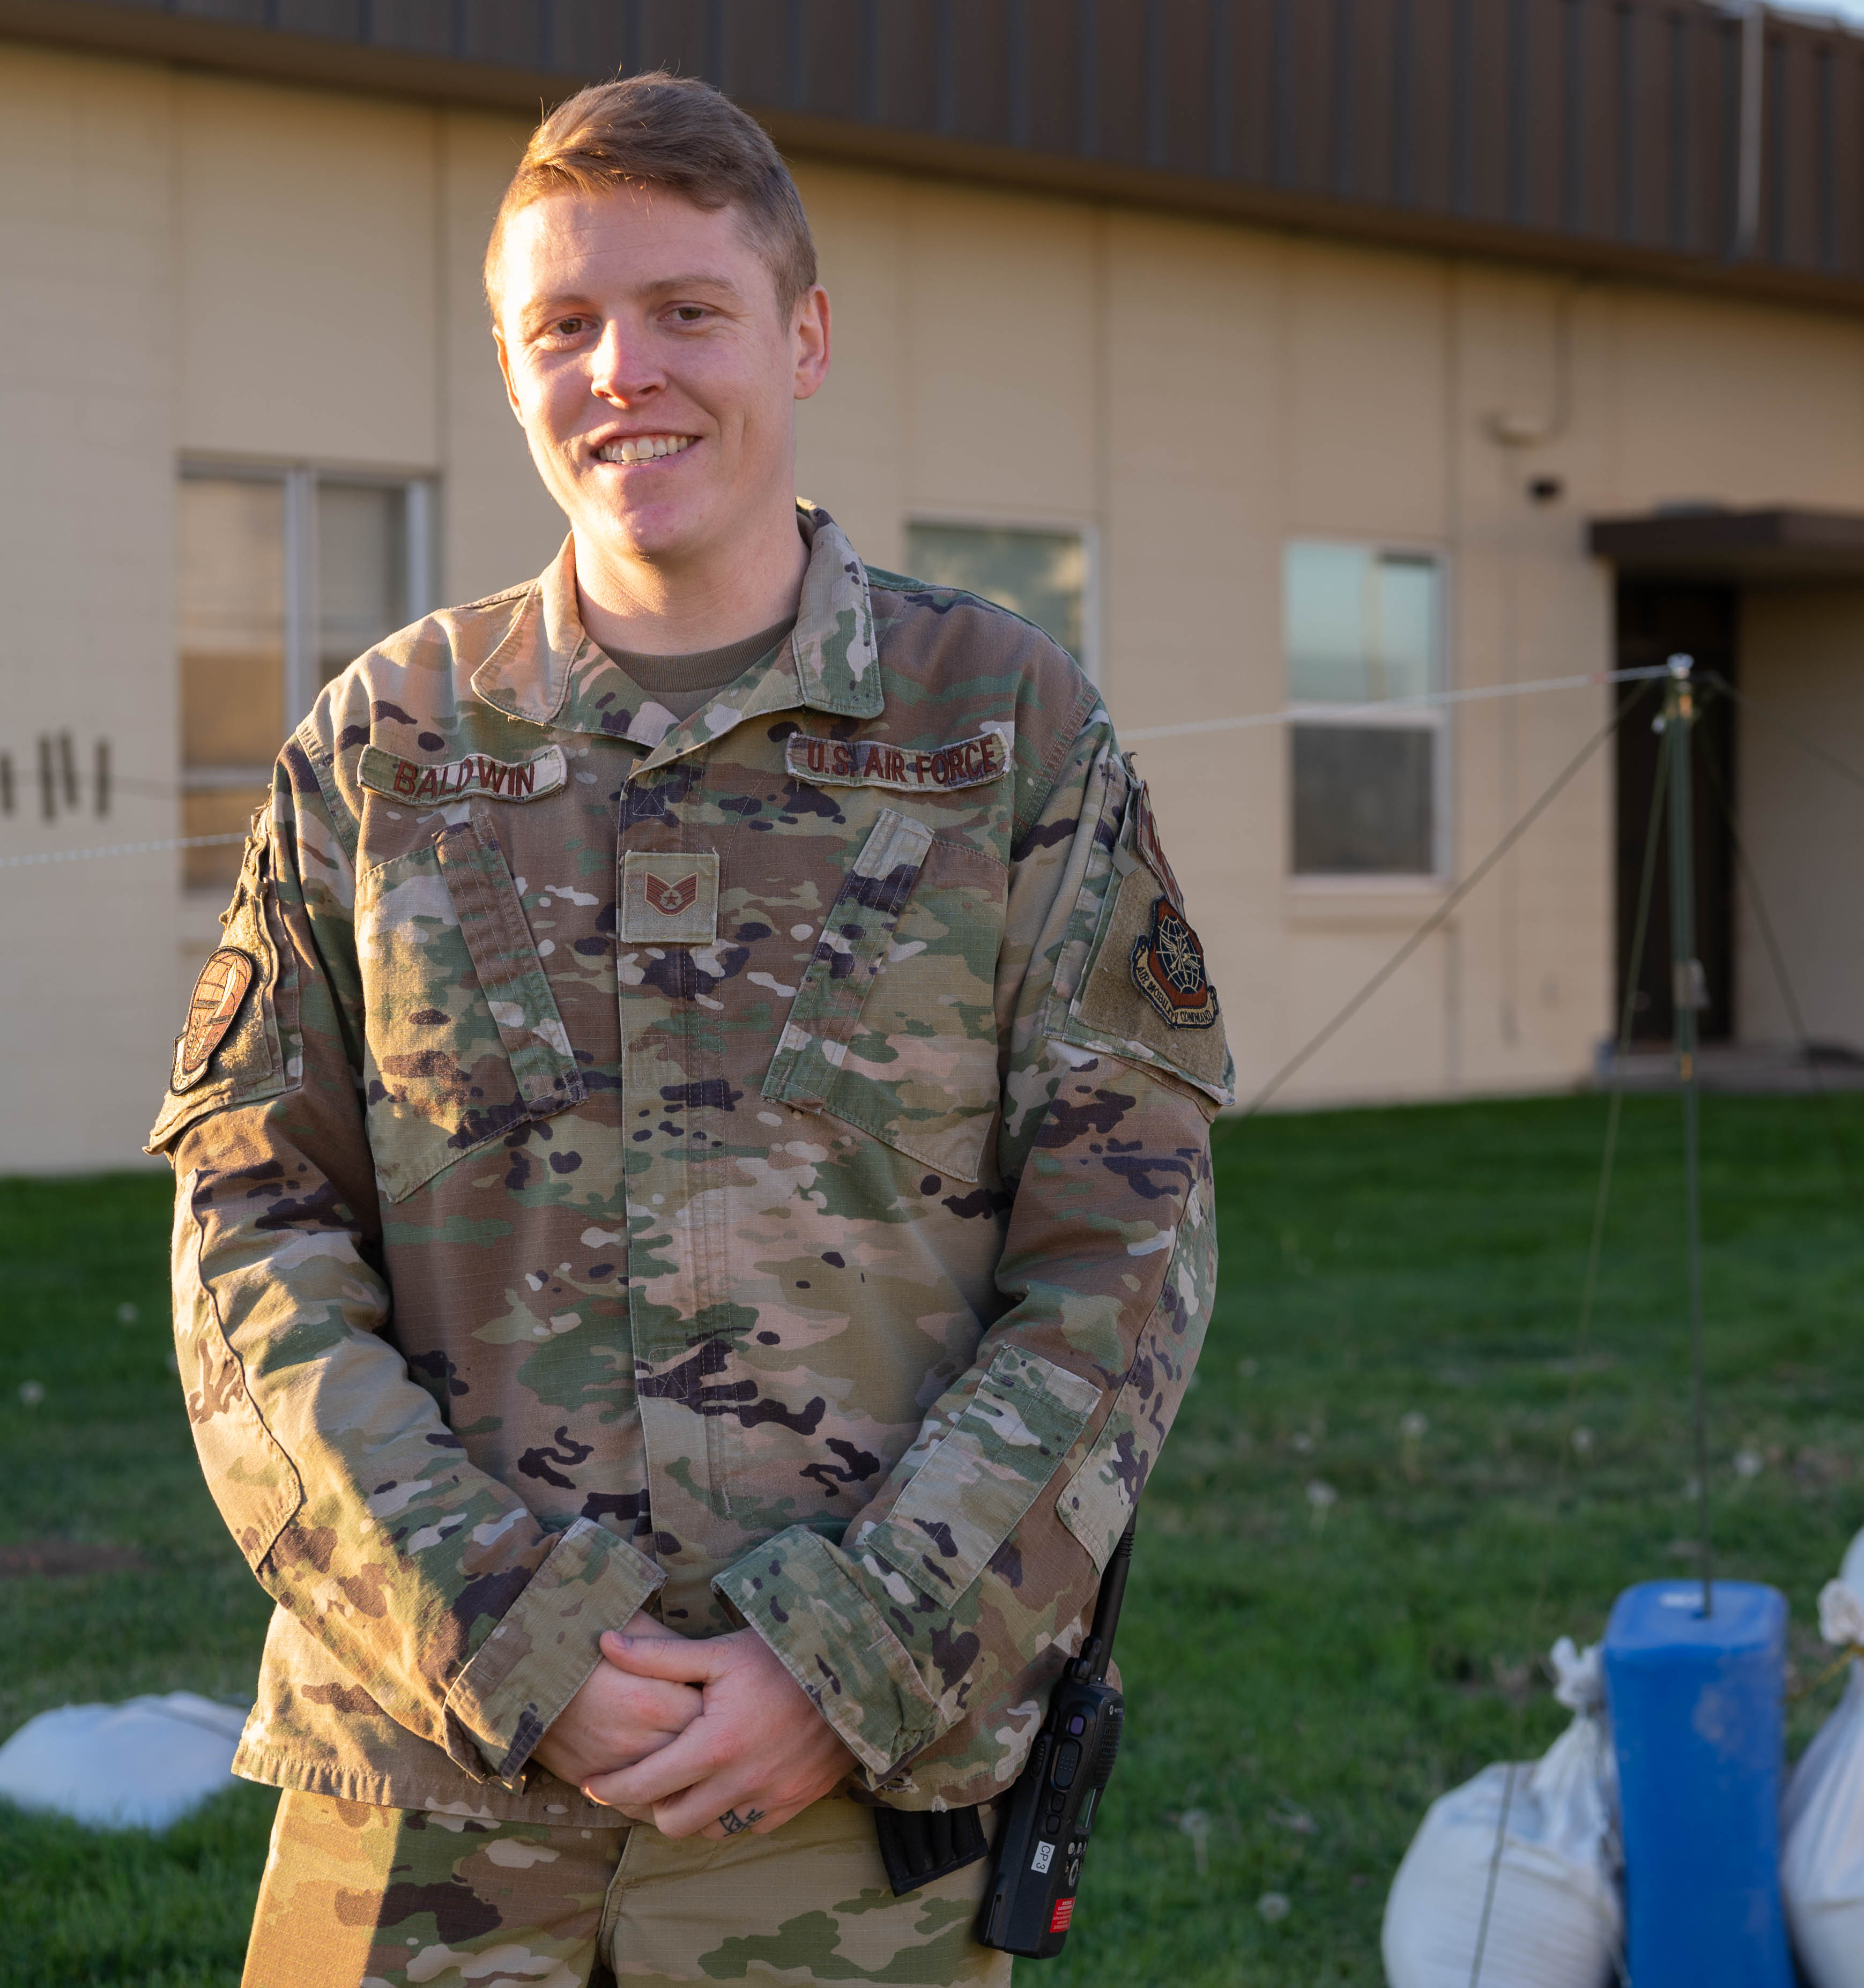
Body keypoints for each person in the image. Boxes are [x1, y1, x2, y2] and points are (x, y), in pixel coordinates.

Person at [147, 71, 1229, 1986]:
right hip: (426, 1800)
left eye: (687, 312)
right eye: (564, 326)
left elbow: (1123, 1259)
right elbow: (248, 1243)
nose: (622, 371)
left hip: (835, 1826)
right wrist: (508, 1637)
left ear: (802, 337)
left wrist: (852, 1657)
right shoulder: (386, 743)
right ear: (510, 369)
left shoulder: (1005, 729)